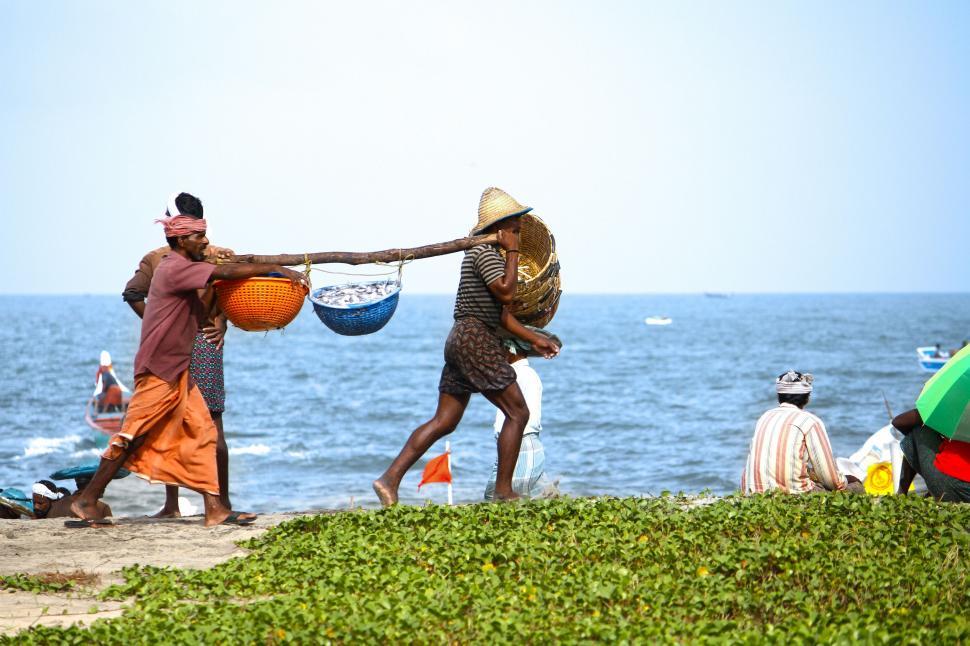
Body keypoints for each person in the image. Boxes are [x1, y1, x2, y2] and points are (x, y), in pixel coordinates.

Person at [70, 195, 308, 526]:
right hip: (159, 368)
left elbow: (218, 286)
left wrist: (222, 318)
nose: (206, 241)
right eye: (199, 236)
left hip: (178, 368)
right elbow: (228, 273)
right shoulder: (175, 267)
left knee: (202, 433)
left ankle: (215, 509)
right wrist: (276, 269)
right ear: (182, 239)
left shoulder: (185, 265)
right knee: (132, 435)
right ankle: (87, 498)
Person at [373, 187, 560, 506]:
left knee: (444, 421)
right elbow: (506, 293)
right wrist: (513, 253)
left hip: (463, 339)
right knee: (518, 412)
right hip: (474, 340)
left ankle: (388, 480)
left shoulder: (488, 256)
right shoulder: (484, 254)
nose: (517, 234)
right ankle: (504, 491)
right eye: (515, 228)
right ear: (500, 228)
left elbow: (503, 317)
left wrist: (535, 339)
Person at [122, 192, 235, 517]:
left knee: (174, 423)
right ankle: (220, 503)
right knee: (213, 425)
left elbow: (131, 292)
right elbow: (232, 291)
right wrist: (220, 323)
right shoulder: (217, 255)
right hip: (203, 344)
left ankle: (175, 504)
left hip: (175, 347)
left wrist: (159, 324)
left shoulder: (156, 257)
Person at [741, 370, 862, 494]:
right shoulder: (810, 421)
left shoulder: (764, 417)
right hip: (795, 496)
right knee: (856, 485)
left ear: (779, 397)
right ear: (807, 397)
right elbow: (831, 479)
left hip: (754, 494)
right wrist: (847, 480)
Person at [483, 329, 561, 501]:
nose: (498, 353)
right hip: (513, 447)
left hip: (522, 445)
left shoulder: (521, 374)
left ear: (511, 350)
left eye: (501, 348)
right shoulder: (517, 374)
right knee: (540, 499)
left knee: (500, 502)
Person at [892, 409, 970, 502]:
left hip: (946, 484)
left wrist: (933, 411)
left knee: (919, 429)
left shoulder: (960, 408)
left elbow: (898, 422)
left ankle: (901, 493)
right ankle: (931, 490)